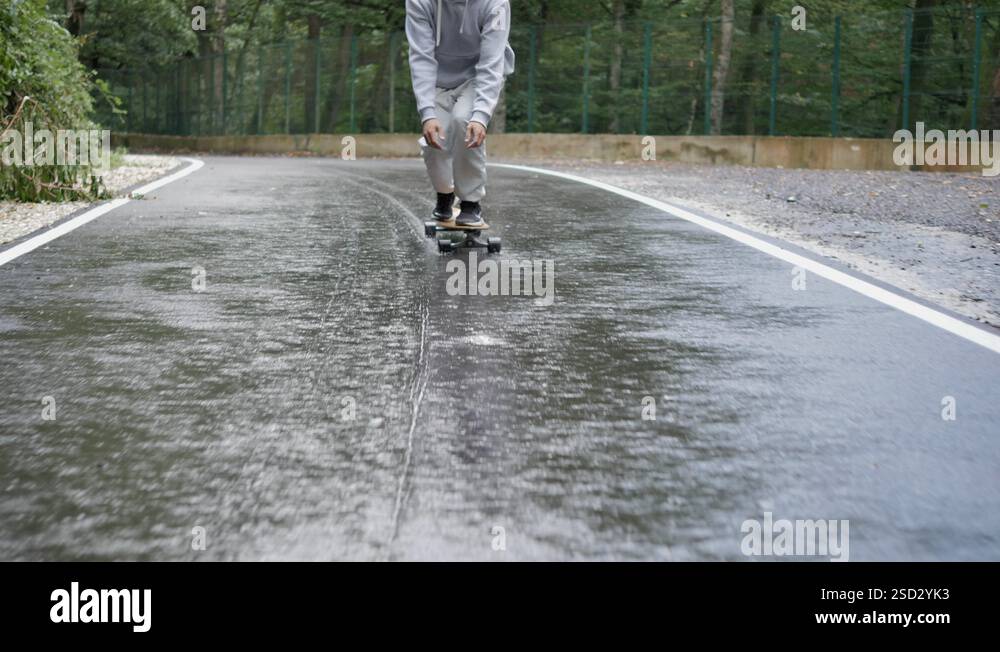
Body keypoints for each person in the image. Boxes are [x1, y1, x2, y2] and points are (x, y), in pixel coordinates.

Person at [405, 0, 515, 226]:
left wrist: (481, 116)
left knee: (464, 120)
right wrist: (427, 114)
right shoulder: (420, 2)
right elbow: (421, 57)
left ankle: (470, 203)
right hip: (436, 77)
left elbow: (491, 63)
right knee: (436, 135)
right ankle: (444, 194)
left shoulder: (495, 4)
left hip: (477, 76)